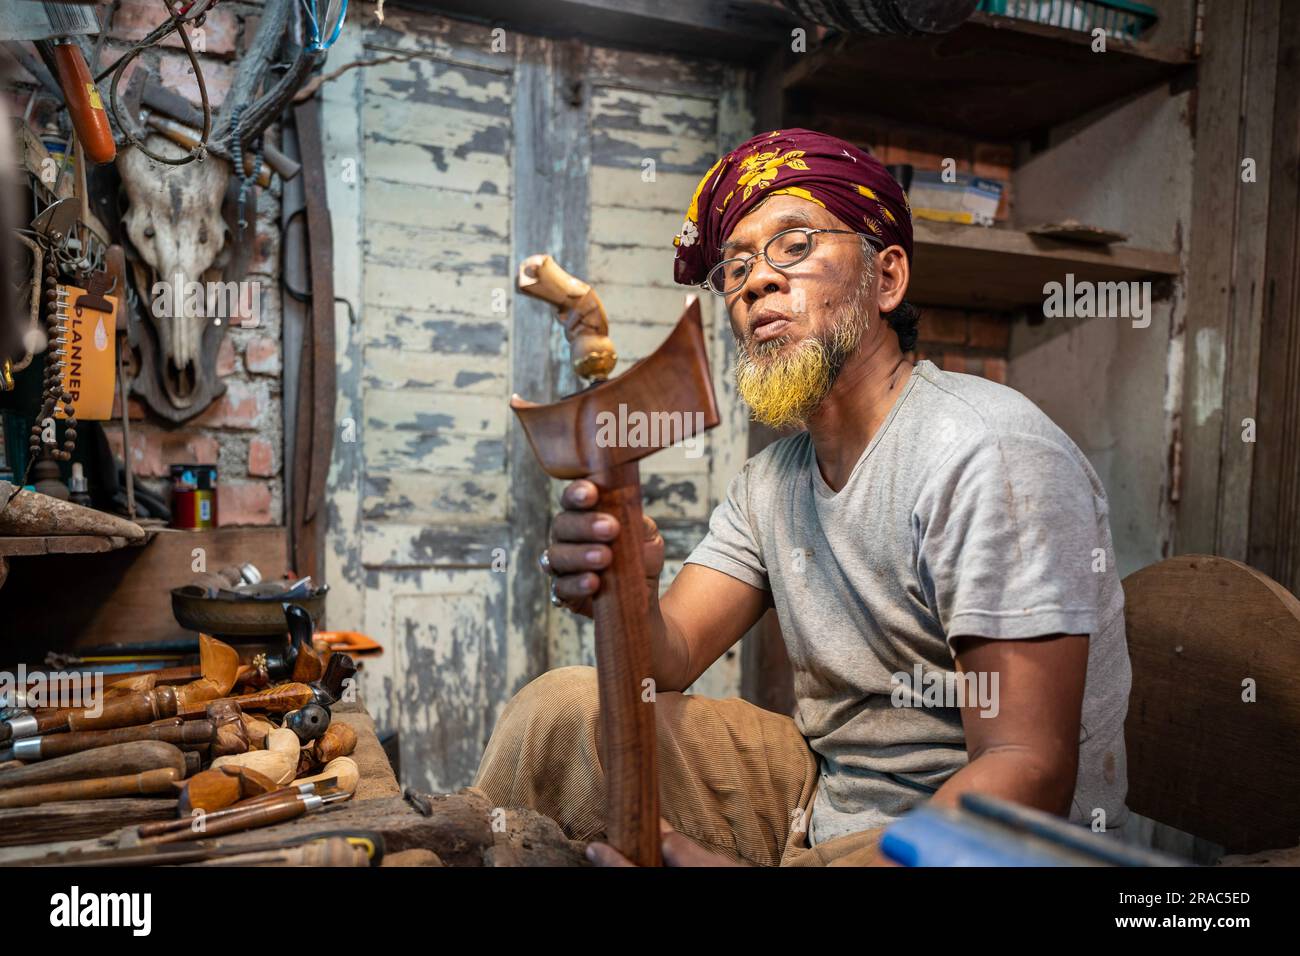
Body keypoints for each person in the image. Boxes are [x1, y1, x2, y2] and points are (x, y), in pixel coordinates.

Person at [474, 128, 1131, 867]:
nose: (755, 281)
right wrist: (629, 585)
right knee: (561, 709)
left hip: (982, 842)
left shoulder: (985, 452)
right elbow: (672, 654)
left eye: (794, 245)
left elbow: (1028, 770)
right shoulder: (773, 479)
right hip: (825, 799)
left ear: (887, 280)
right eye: (738, 265)